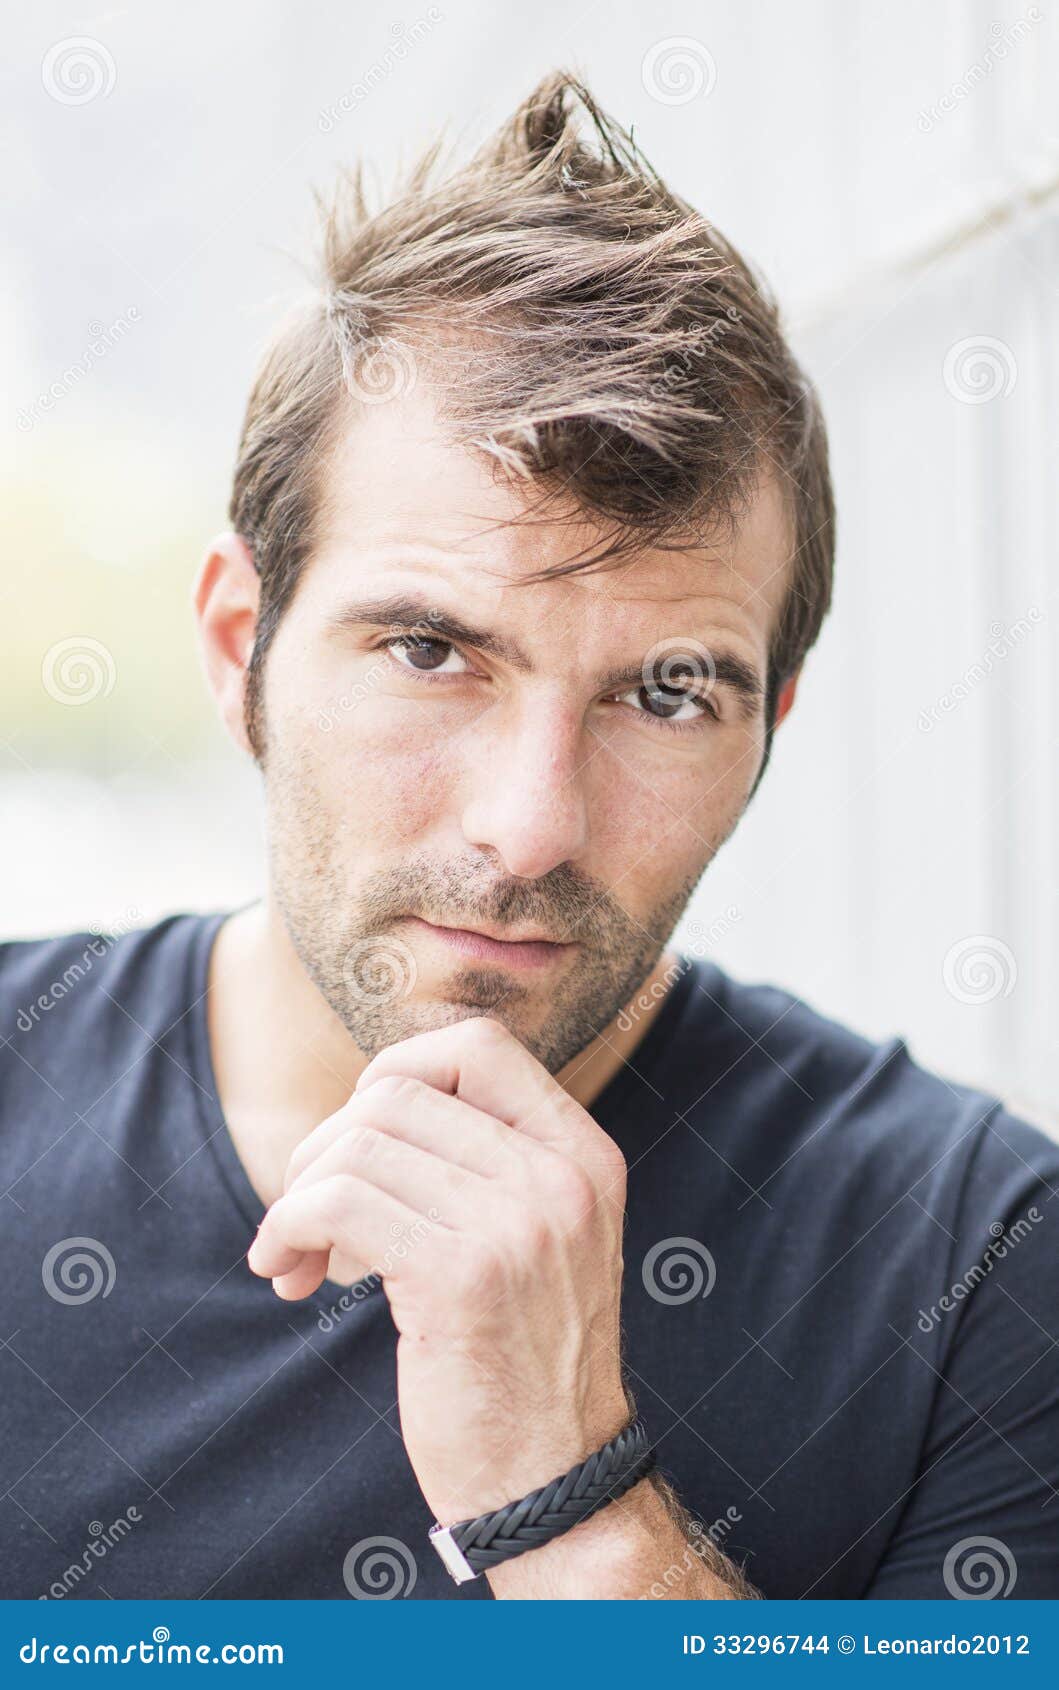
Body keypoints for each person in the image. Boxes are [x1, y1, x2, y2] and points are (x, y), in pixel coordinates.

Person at [3, 74, 1056, 1603]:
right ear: (240, 643)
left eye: (668, 692)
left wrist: (569, 1502)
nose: (531, 823)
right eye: (431, 651)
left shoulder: (976, 1275)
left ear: (775, 722)